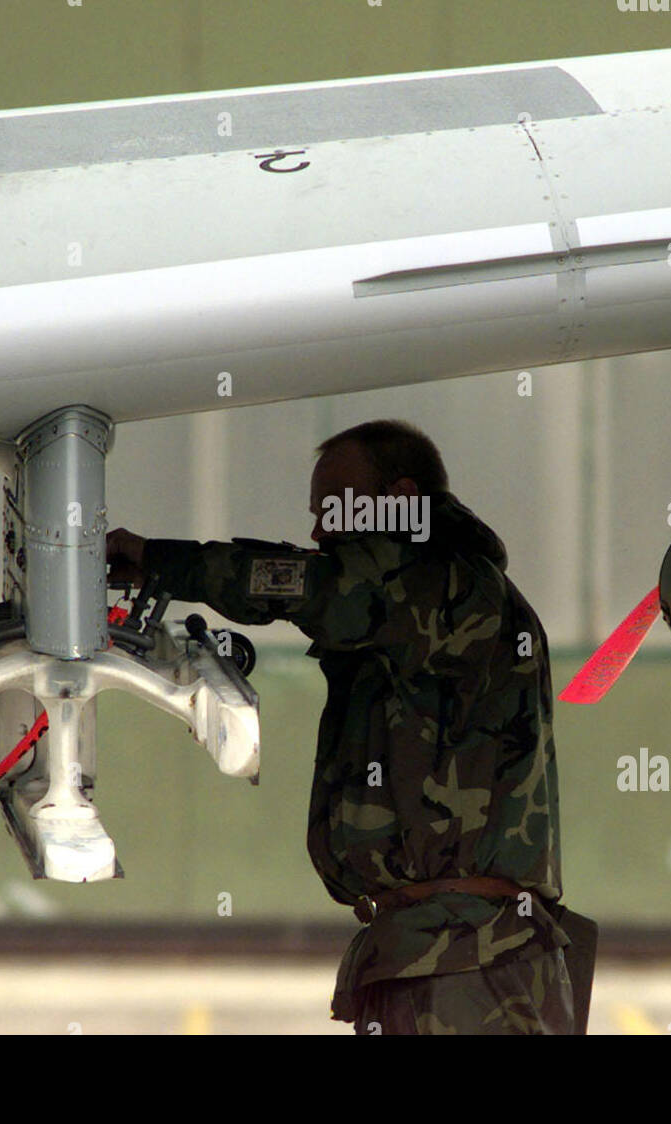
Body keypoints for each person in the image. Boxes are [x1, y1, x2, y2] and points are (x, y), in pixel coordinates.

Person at [107, 419, 592, 1034]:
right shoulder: (416, 598)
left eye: (332, 509)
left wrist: (160, 560)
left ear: (400, 498)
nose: (317, 531)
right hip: (435, 954)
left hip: (469, 960)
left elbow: (313, 589)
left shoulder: (449, 586)